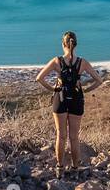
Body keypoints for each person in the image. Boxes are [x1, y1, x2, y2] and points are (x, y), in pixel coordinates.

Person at [34, 31, 105, 178]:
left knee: (61, 135)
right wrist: (85, 90)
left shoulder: (56, 61)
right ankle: (75, 169)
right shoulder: (82, 63)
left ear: (63, 44)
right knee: (74, 137)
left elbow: (39, 78)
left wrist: (53, 88)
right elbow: (99, 80)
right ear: (76, 44)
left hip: (60, 98)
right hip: (77, 99)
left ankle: (59, 169)